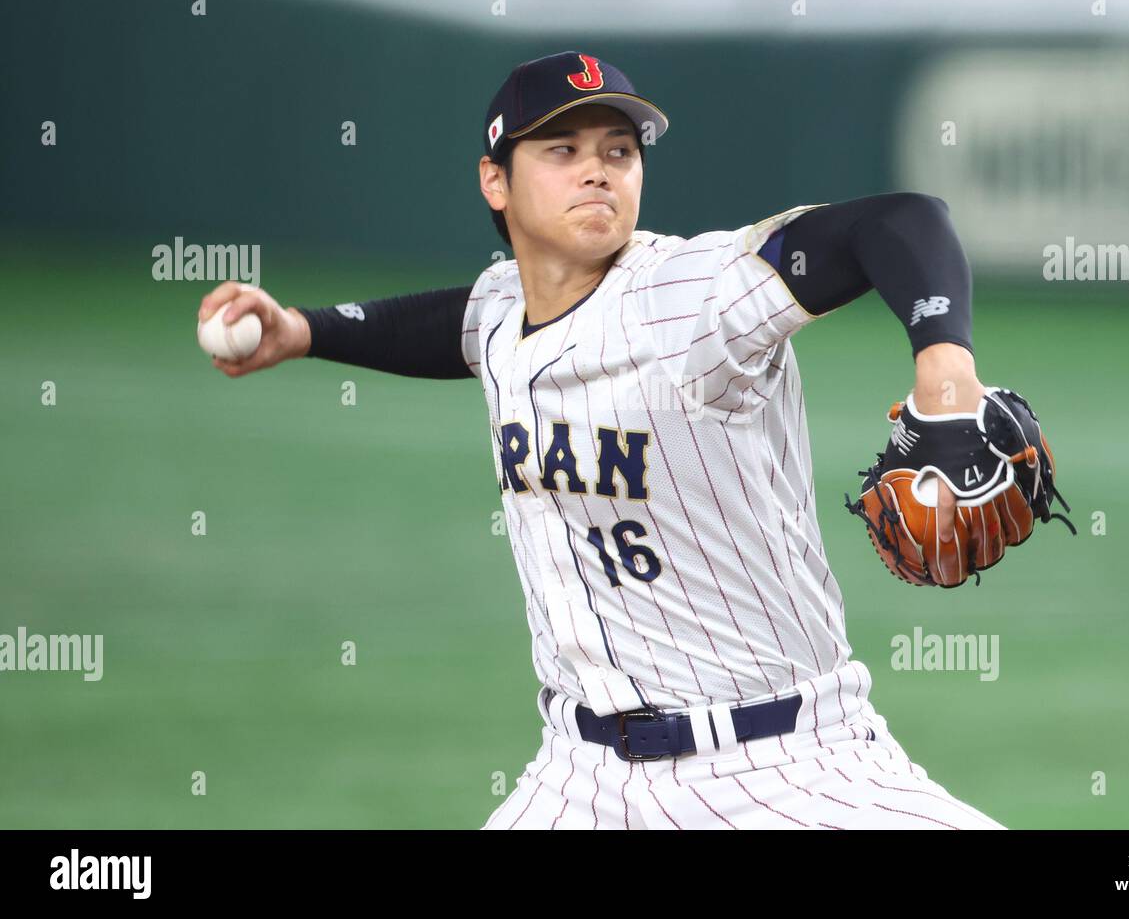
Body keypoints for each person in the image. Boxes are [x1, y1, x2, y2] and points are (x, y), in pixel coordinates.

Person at [197, 51, 1005, 829]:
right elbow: (456, 326)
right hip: (579, 779)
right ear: (495, 181)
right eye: (563, 150)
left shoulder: (692, 297)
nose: (598, 170)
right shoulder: (503, 309)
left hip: (786, 768)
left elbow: (900, 222)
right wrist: (302, 330)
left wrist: (944, 371)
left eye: (618, 151)